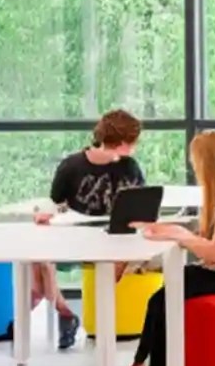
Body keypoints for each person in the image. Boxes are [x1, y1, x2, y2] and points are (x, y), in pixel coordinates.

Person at [117, 130, 215, 366]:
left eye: (196, 161)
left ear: (208, 162)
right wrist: (163, 228)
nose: (194, 167)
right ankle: (143, 365)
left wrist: (181, 236)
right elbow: (208, 238)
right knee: (159, 298)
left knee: (162, 299)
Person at [32, 109, 146, 349]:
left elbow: (140, 204)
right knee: (39, 264)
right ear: (123, 143)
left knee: (120, 257)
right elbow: (55, 204)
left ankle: (94, 316)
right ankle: (65, 311)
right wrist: (48, 215)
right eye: (132, 142)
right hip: (76, 235)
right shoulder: (71, 166)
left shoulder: (130, 167)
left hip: (115, 238)